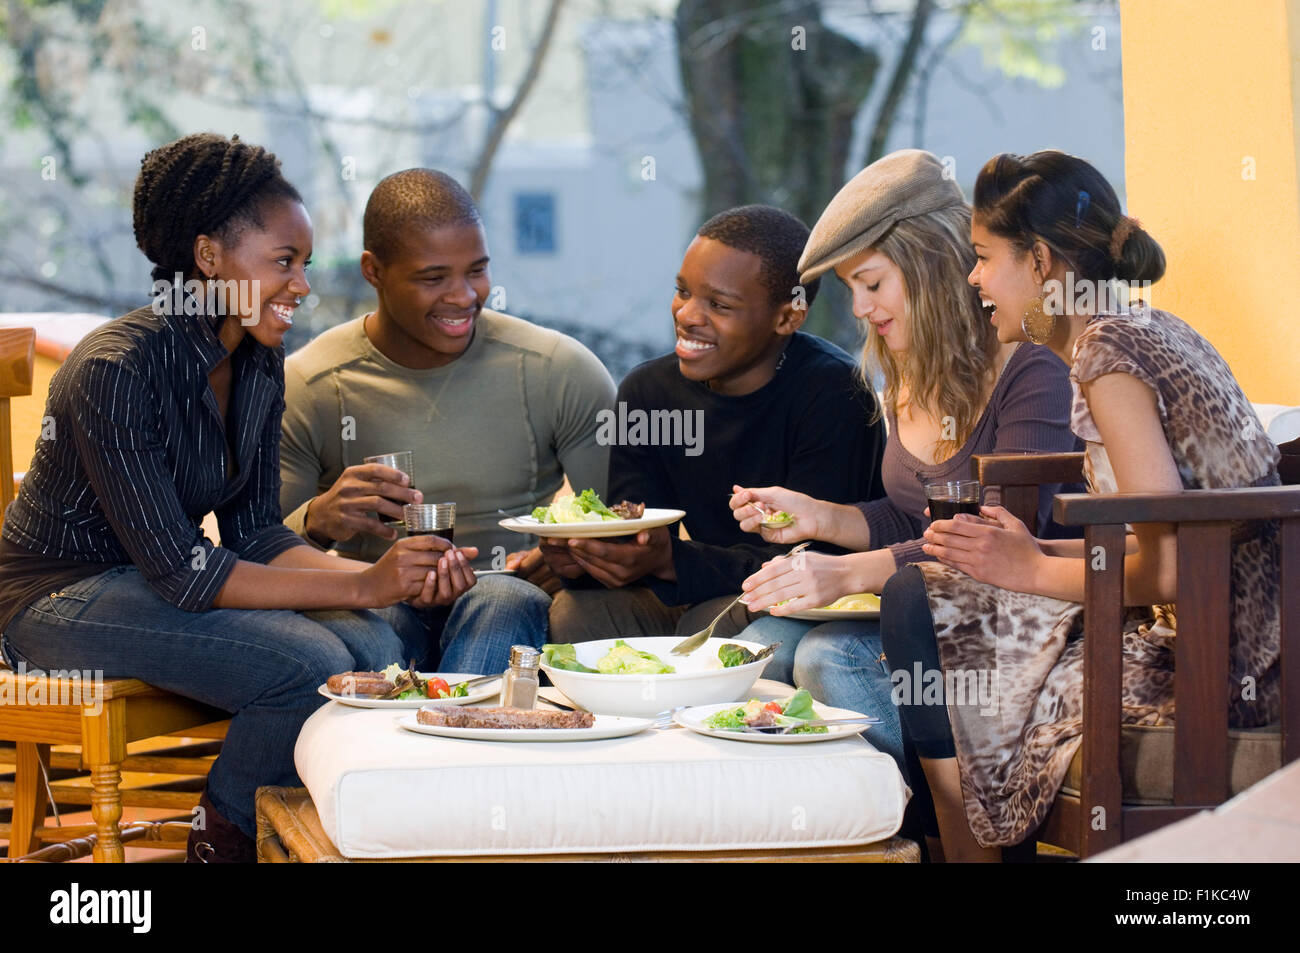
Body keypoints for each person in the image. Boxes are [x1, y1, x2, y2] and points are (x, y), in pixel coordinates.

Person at [0, 134, 477, 862]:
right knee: (303, 665)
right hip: (53, 601)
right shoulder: (114, 369)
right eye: (284, 262)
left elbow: (253, 532)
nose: (303, 286)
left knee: (380, 642)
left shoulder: (258, 357)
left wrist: (390, 586)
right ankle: (221, 843)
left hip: (151, 584)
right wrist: (363, 579)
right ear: (210, 257)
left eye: (306, 264)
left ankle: (335, 837)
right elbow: (186, 572)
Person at [881, 150, 1282, 861]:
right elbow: (1154, 538)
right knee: (931, 593)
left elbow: (1174, 571)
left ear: (1040, 262)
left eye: (983, 257)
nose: (973, 279)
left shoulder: (1107, 354)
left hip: (1221, 661)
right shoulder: (1148, 326)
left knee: (925, 605)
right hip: (1249, 633)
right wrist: (1022, 554)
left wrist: (1031, 571)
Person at [727, 150, 1081, 778]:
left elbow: (988, 538)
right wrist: (821, 520)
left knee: (830, 660)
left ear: (931, 267)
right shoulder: (903, 373)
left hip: (1017, 619)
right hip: (926, 608)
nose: (860, 309)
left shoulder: (1033, 369)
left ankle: (929, 832)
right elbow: (908, 516)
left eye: (873, 283)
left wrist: (848, 575)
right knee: (761, 647)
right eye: (851, 291)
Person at [279, 168, 615, 665]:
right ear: (372, 271)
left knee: (502, 600)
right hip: (373, 597)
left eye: (477, 270)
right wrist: (319, 520)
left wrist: (570, 554)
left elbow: (628, 519)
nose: (463, 296)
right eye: (433, 278)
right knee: (376, 622)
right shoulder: (310, 384)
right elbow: (258, 551)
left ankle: (455, 734)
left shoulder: (556, 369)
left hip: (507, 594)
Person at [543, 205, 886, 642]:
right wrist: (591, 558)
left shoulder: (834, 393)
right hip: (696, 593)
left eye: (718, 304)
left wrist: (672, 563)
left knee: (728, 621)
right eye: (682, 291)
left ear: (787, 317)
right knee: (578, 612)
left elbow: (815, 561)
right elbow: (639, 538)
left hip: (794, 602)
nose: (687, 315)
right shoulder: (649, 392)